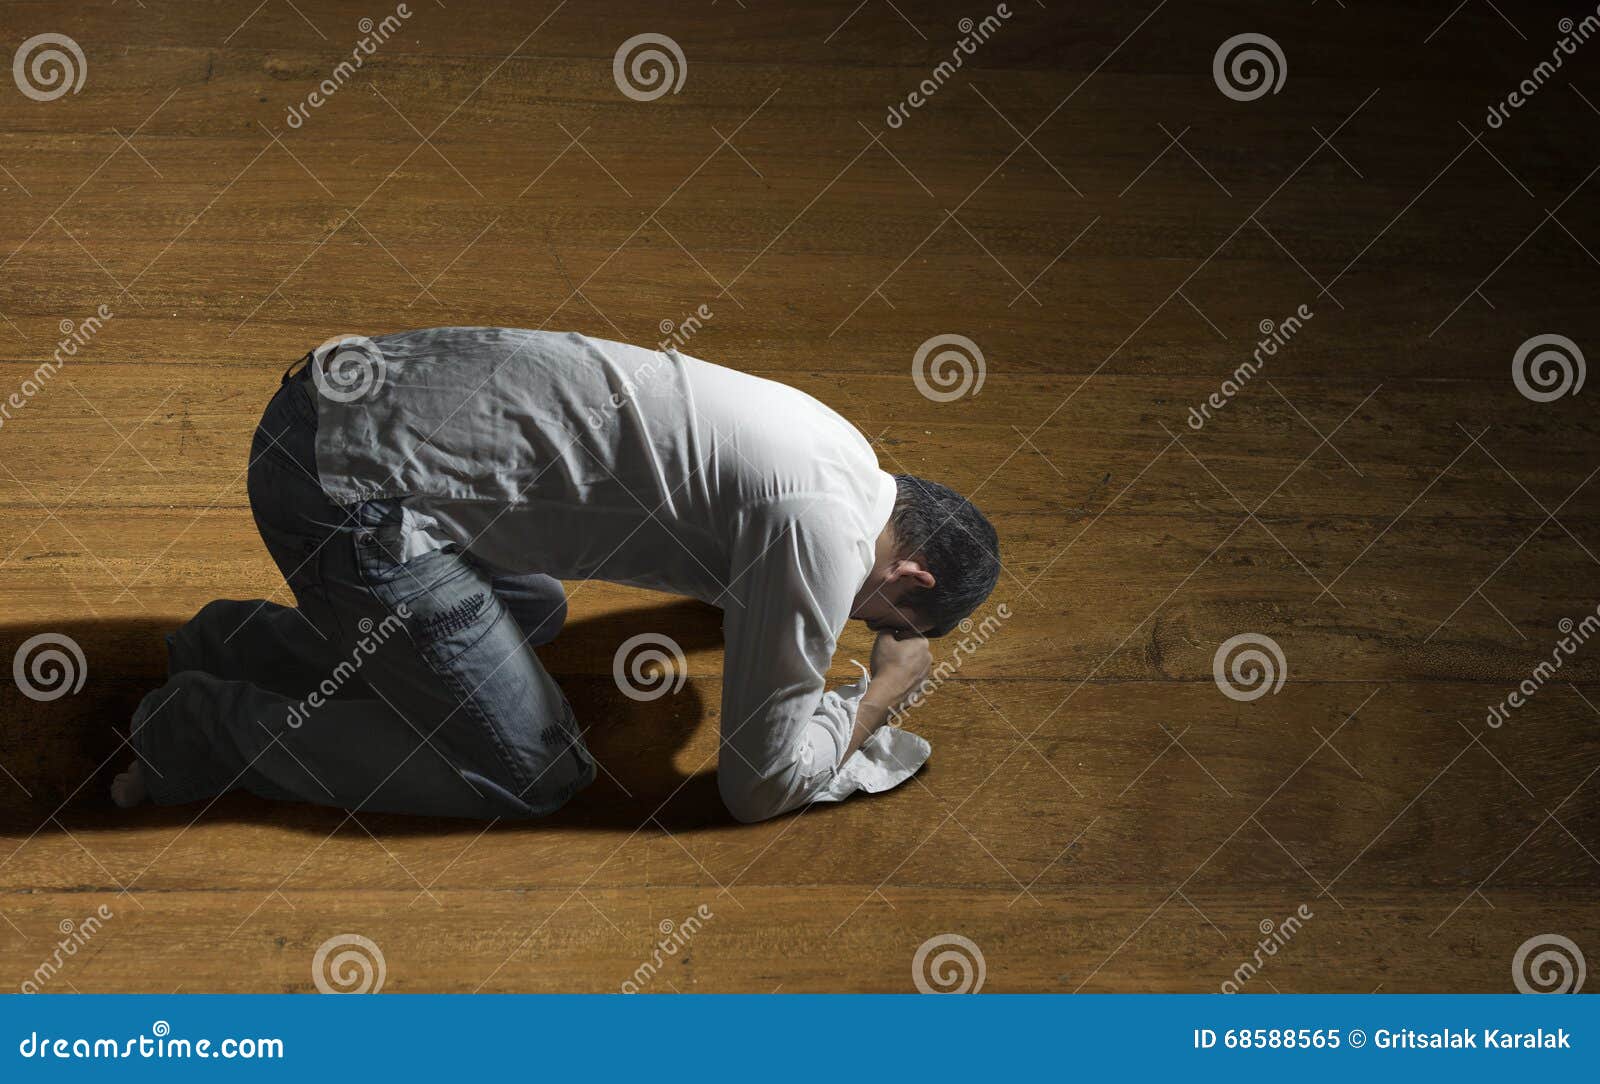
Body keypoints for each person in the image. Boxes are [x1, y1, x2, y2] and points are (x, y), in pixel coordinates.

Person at [113, 327, 1000, 823]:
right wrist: (879, 693)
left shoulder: (838, 449)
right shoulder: (820, 537)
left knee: (534, 613)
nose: (858, 626)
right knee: (532, 772)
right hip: (344, 496)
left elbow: (728, 546)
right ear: (912, 576)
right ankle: (195, 731)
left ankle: (226, 641)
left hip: (343, 394)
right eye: (883, 620)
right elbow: (755, 786)